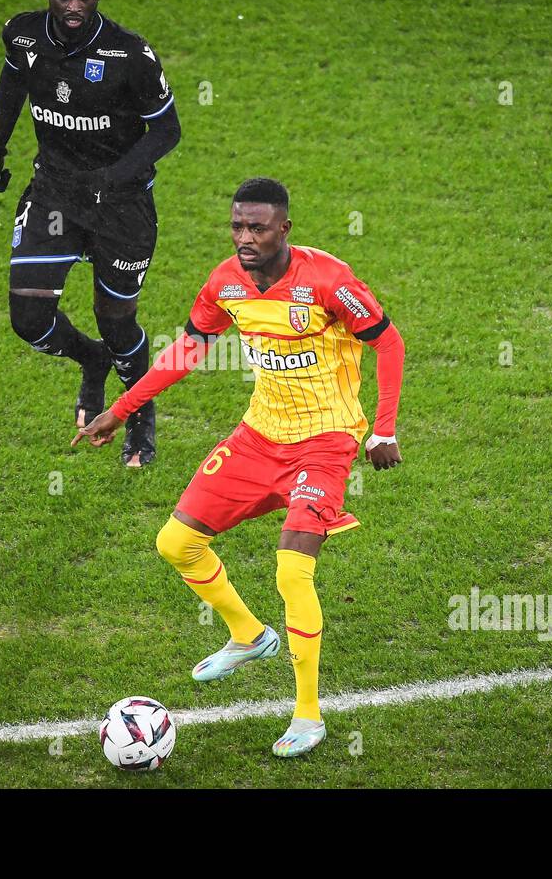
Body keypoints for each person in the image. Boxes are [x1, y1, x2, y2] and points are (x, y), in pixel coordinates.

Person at [74, 178, 405, 756]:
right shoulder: (226, 282)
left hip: (324, 444)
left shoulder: (329, 280)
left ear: (285, 229)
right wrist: (121, 411)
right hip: (259, 436)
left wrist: (383, 429)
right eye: (237, 227)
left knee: (291, 573)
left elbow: (389, 342)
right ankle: (248, 635)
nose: (245, 237)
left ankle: (308, 715)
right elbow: (187, 350)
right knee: (175, 543)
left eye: (257, 227)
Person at [0, 0, 180, 466]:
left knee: (116, 322)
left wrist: (112, 178)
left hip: (123, 208)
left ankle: (141, 419)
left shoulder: (129, 55)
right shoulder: (22, 34)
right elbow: (13, 83)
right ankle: (90, 359)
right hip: (55, 195)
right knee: (28, 317)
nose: (73, 4)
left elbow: (167, 129)